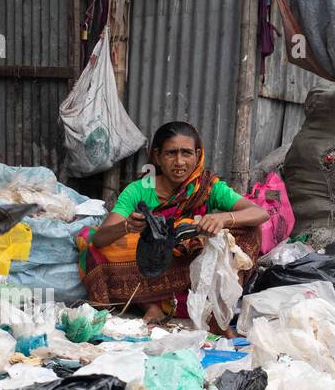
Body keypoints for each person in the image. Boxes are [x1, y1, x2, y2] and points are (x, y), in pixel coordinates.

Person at [77, 121, 269, 325]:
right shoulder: (140, 189)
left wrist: (222, 218)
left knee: (248, 231)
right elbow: (99, 238)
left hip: (190, 263)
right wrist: (128, 227)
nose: (179, 161)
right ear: (158, 157)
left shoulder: (208, 187)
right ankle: (152, 306)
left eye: (186, 153)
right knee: (100, 248)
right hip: (153, 267)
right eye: (171, 153)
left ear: (197, 155)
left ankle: (219, 312)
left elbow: (259, 213)